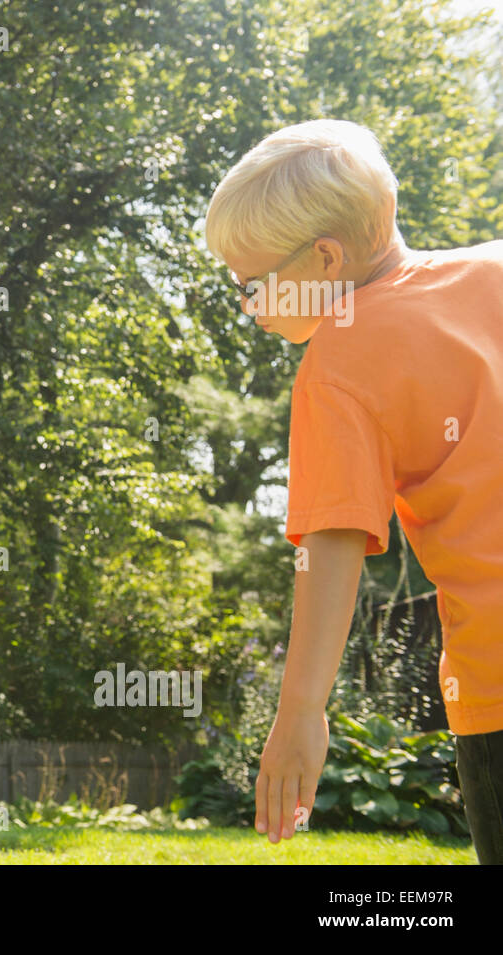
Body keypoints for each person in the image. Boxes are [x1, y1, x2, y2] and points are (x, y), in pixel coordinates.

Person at [204, 118, 503, 864]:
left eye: (251, 285)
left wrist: (301, 709)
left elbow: (330, 547)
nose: (248, 308)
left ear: (326, 257)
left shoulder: (341, 359)